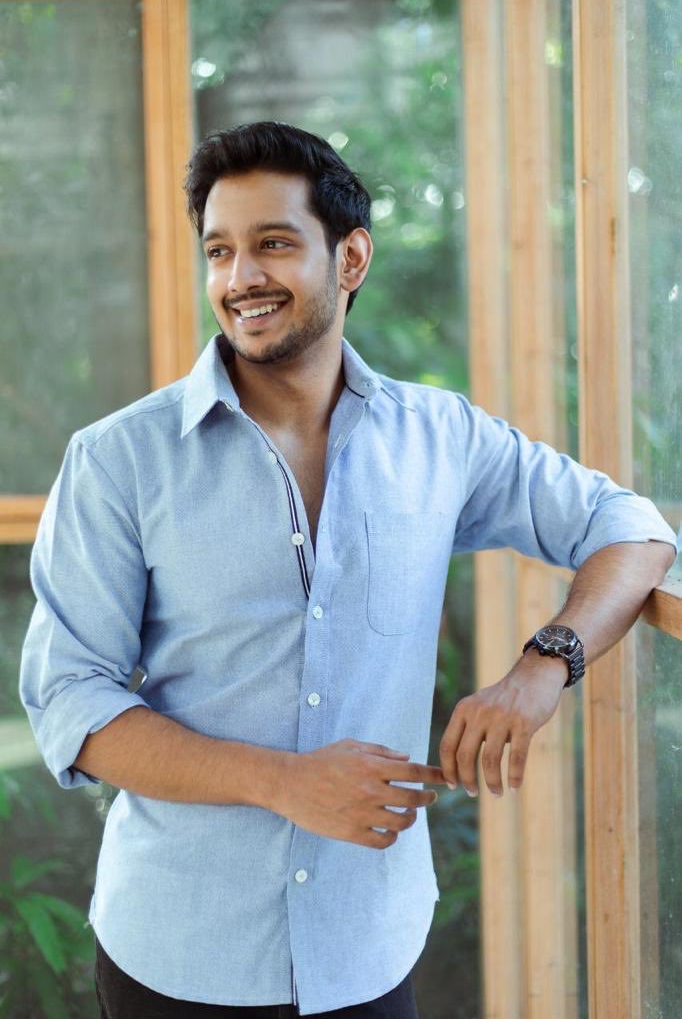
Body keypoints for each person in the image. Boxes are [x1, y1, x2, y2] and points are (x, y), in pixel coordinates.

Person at [19, 121, 676, 1019]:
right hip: (180, 953)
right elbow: (69, 699)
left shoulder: (441, 438)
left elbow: (630, 527)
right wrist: (282, 782)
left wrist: (543, 667)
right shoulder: (117, 461)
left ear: (352, 257)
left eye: (273, 243)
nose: (240, 278)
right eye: (219, 251)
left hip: (368, 947)